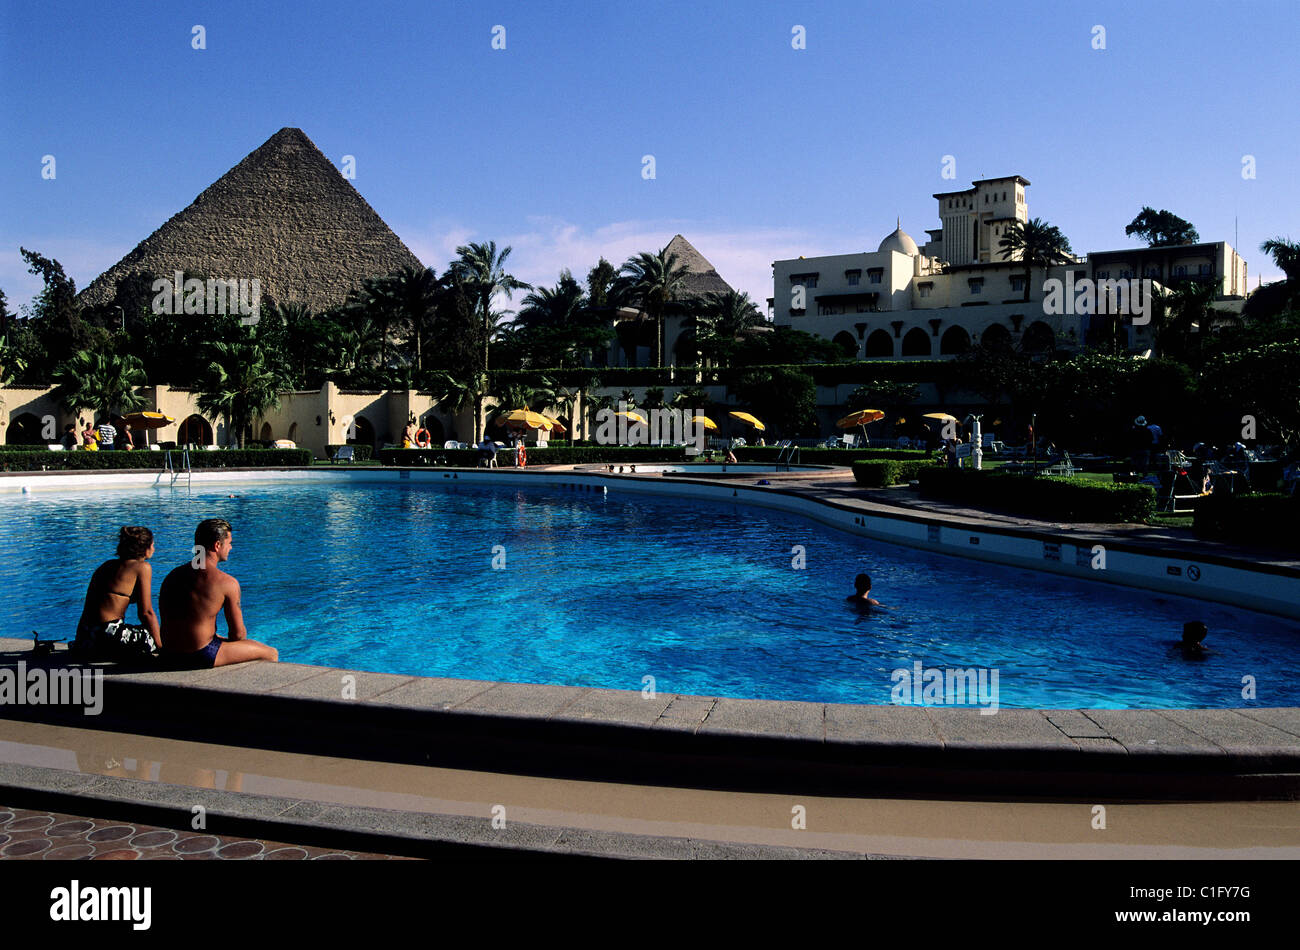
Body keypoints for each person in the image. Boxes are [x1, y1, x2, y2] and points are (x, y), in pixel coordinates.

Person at [158, 518, 278, 669]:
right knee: (271, 653)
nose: (231, 548)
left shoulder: (173, 576)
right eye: (229, 543)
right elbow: (238, 635)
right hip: (200, 655)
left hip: (169, 653)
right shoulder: (227, 583)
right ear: (217, 545)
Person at [71, 526, 160, 660]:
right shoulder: (142, 567)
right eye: (153, 544)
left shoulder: (106, 566)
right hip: (107, 637)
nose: (154, 548)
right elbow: (146, 613)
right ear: (145, 547)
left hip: (86, 638)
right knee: (161, 635)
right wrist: (162, 648)